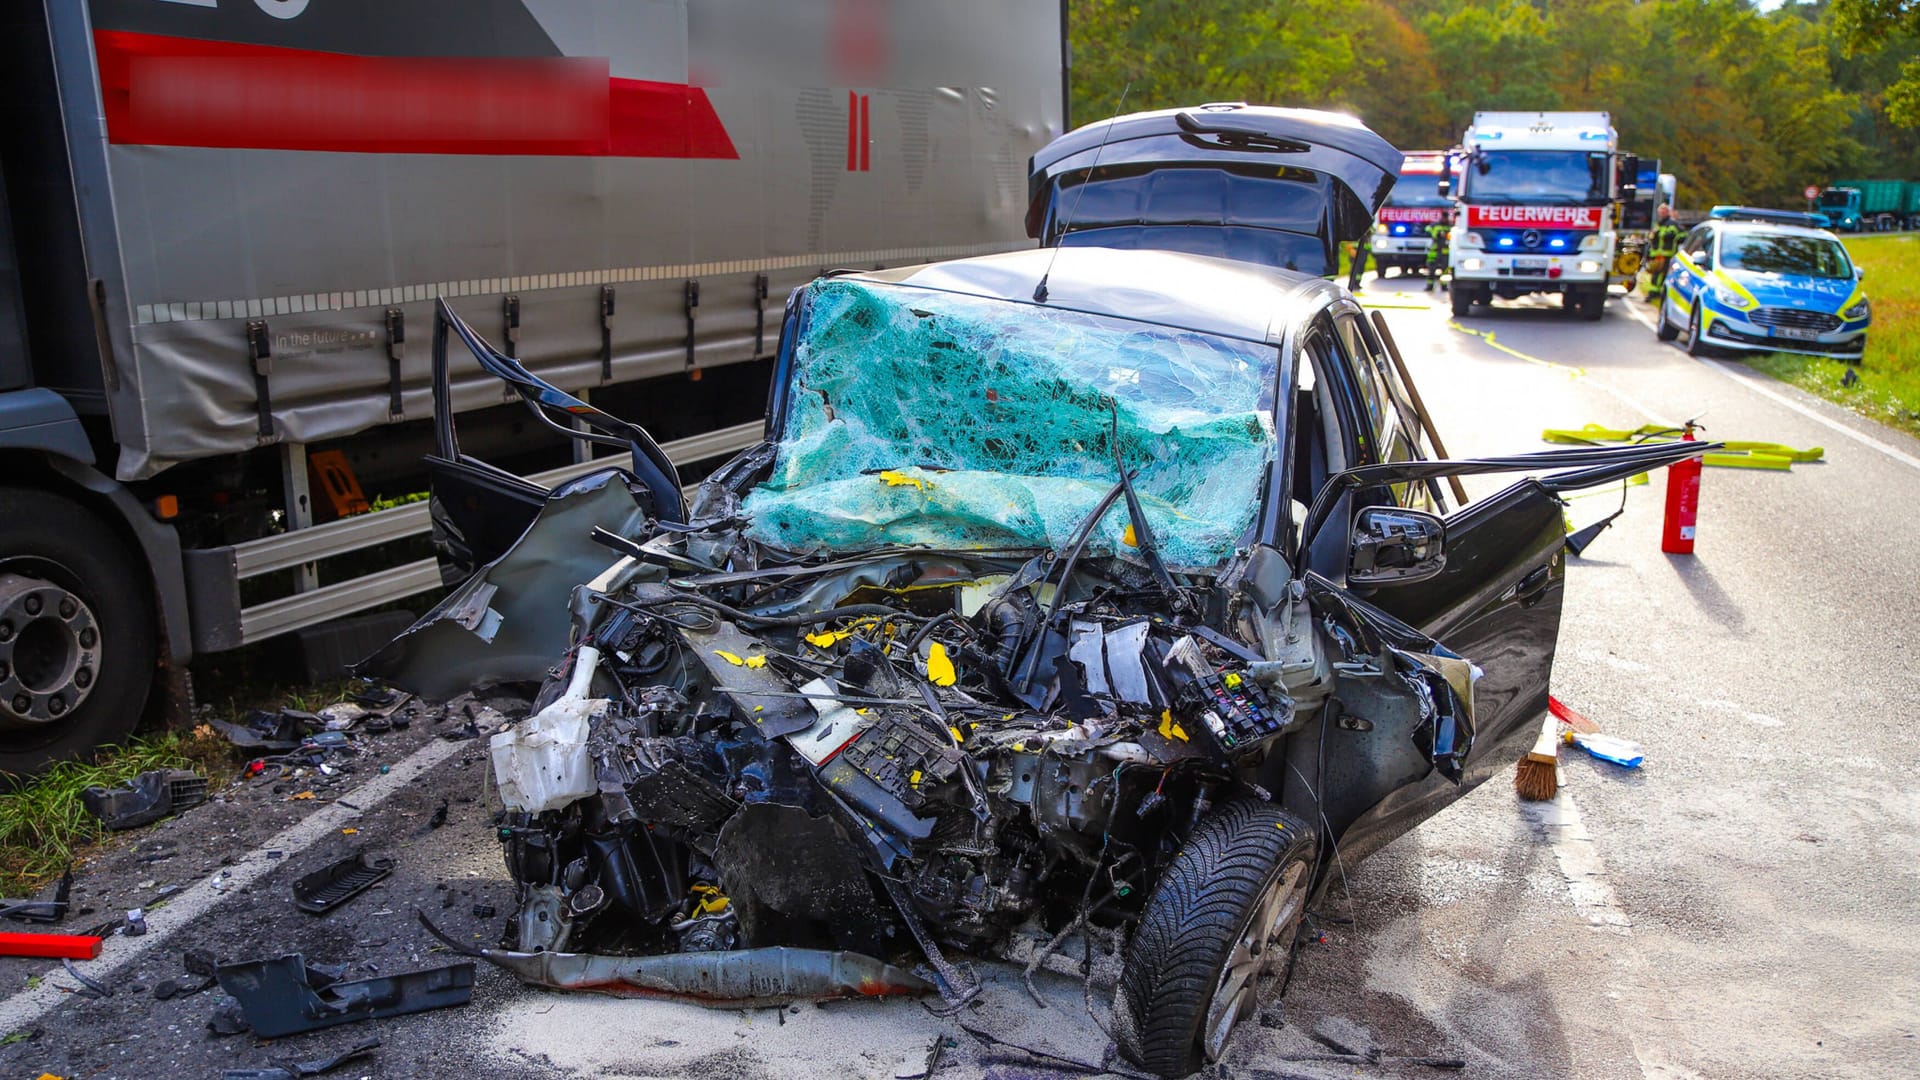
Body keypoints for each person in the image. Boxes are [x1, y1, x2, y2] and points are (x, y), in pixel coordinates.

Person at [1644, 204, 1682, 301]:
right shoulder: (1659, 223)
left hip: (1666, 254)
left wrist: (1670, 237)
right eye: (1660, 211)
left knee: (1661, 274)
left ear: (1667, 212)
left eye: (1664, 211)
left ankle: (1656, 293)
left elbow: (1682, 234)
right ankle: (1653, 293)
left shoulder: (1672, 223)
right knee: (1655, 274)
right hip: (1656, 254)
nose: (1662, 213)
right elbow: (1653, 237)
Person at [1422, 218, 1450, 292]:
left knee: (1444, 272)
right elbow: (1427, 229)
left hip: (1444, 253)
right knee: (1431, 271)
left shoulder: (1450, 227)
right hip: (1435, 252)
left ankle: (1444, 286)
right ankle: (1429, 286)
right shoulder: (1435, 226)